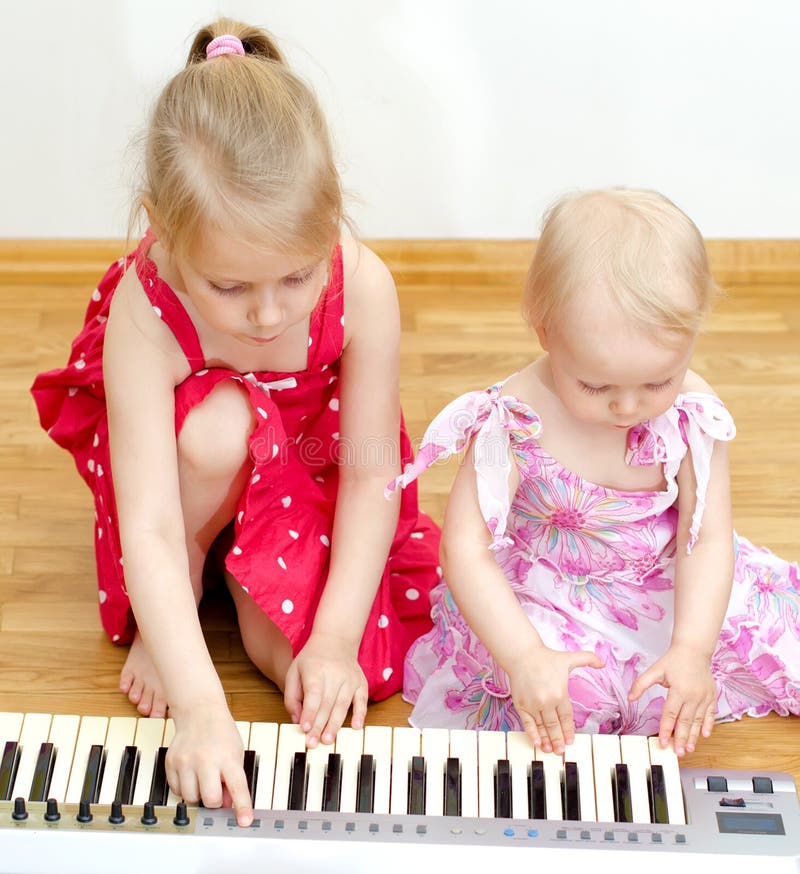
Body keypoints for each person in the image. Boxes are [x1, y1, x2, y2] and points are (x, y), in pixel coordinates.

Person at [31, 18, 441, 826]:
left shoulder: (363, 286)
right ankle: (182, 594)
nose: (268, 314)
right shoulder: (146, 308)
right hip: (188, 470)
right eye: (229, 287)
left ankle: (246, 589)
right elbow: (149, 523)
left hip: (308, 461)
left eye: (297, 277)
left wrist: (332, 641)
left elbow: (369, 475)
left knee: (320, 664)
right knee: (218, 429)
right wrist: (199, 706)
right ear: (161, 228)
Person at [388, 187, 800, 762]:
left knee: (774, 630)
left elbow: (704, 538)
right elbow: (465, 549)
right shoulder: (514, 419)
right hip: (550, 592)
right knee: (568, 697)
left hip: (662, 577)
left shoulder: (690, 414)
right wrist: (525, 656)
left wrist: (692, 648)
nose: (628, 407)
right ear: (545, 331)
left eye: (657, 381)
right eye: (596, 385)